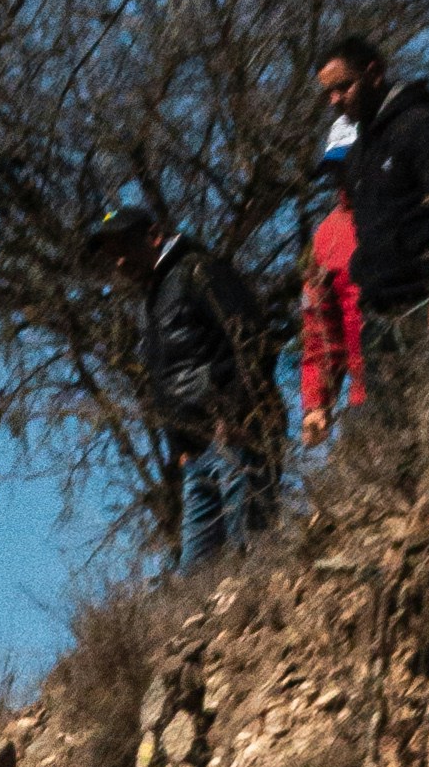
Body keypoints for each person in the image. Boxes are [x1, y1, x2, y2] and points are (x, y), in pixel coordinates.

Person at [83, 197, 281, 567]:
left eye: (124, 248)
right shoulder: (148, 304)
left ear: (154, 235)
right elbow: (166, 380)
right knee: (196, 576)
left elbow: (252, 339)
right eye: (111, 255)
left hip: (235, 437)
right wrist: (180, 449)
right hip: (196, 453)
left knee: (254, 555)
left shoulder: (199, 271)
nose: (119, 262)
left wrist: (238, 414)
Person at [315, 33, 429, 407]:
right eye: (328, 93)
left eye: (343, 86)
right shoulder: (357, 155)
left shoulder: (422, 126)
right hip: (383, 321)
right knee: (402, 451)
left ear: (374, 73)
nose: (335, 100)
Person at [298, 127, 362, 447]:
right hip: (368, 390)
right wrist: (316, 404)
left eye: (350, 162)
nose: (343, 175)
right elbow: (321, 334)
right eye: (335, 168)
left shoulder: (415, 199)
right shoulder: (326, 237)